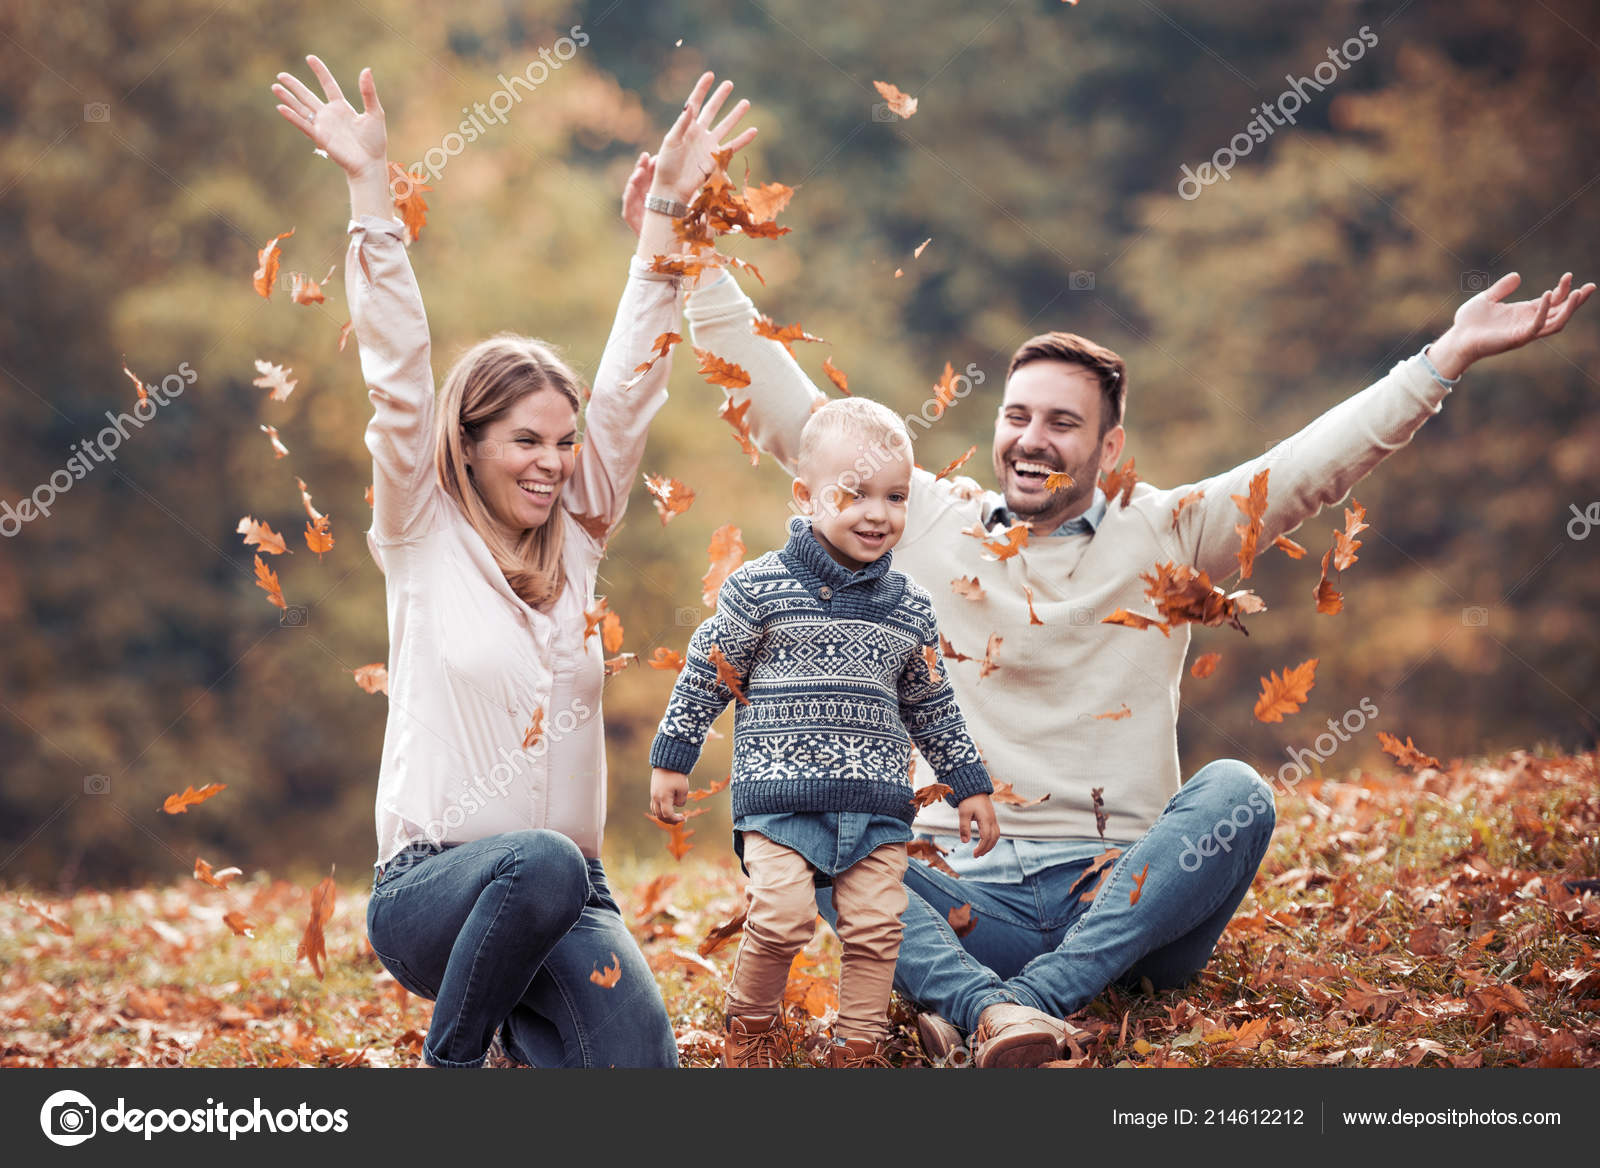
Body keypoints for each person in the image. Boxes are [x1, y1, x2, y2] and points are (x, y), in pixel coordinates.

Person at [617, 155, 1594, 1066]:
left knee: (1236, 795)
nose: (1030, 439)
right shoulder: (920, 519)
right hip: (965, 894)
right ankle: (995, 1004)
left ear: (1110, 446)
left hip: (1121, 907)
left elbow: (1304, 471)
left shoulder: (1166, 532)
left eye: (1061, 422)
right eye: (1015, 415)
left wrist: (1443, 359)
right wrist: (684, 252)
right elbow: (797, 419)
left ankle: (1009, 1002)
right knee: (824, 826)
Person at [270, 58, 757, 1068]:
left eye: (561, 442)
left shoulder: (576, 538)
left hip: (573, 895)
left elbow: (627, 389)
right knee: (533, 862)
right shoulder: (417, 529)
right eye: (526, 440)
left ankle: (521, 1055)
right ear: (473, 441)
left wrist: (667, 217)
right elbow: (400, 378)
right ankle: (451, 1068)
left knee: (644, 1068)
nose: (551, 462)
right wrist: (370, 191)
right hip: (431, 891)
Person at [648, 398, 1001, 1067]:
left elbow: (933, 706)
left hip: (874, 808)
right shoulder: (758, 590)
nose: (877, 513)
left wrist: (968, 785)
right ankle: (749, 1037)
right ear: (805, 495)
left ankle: (857, 1049)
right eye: (854, 493)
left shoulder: (910, 608)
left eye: (895, 496)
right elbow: (708, 669)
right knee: (783, 918)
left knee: (876, 930)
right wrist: (674, 757)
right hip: (780, 800)